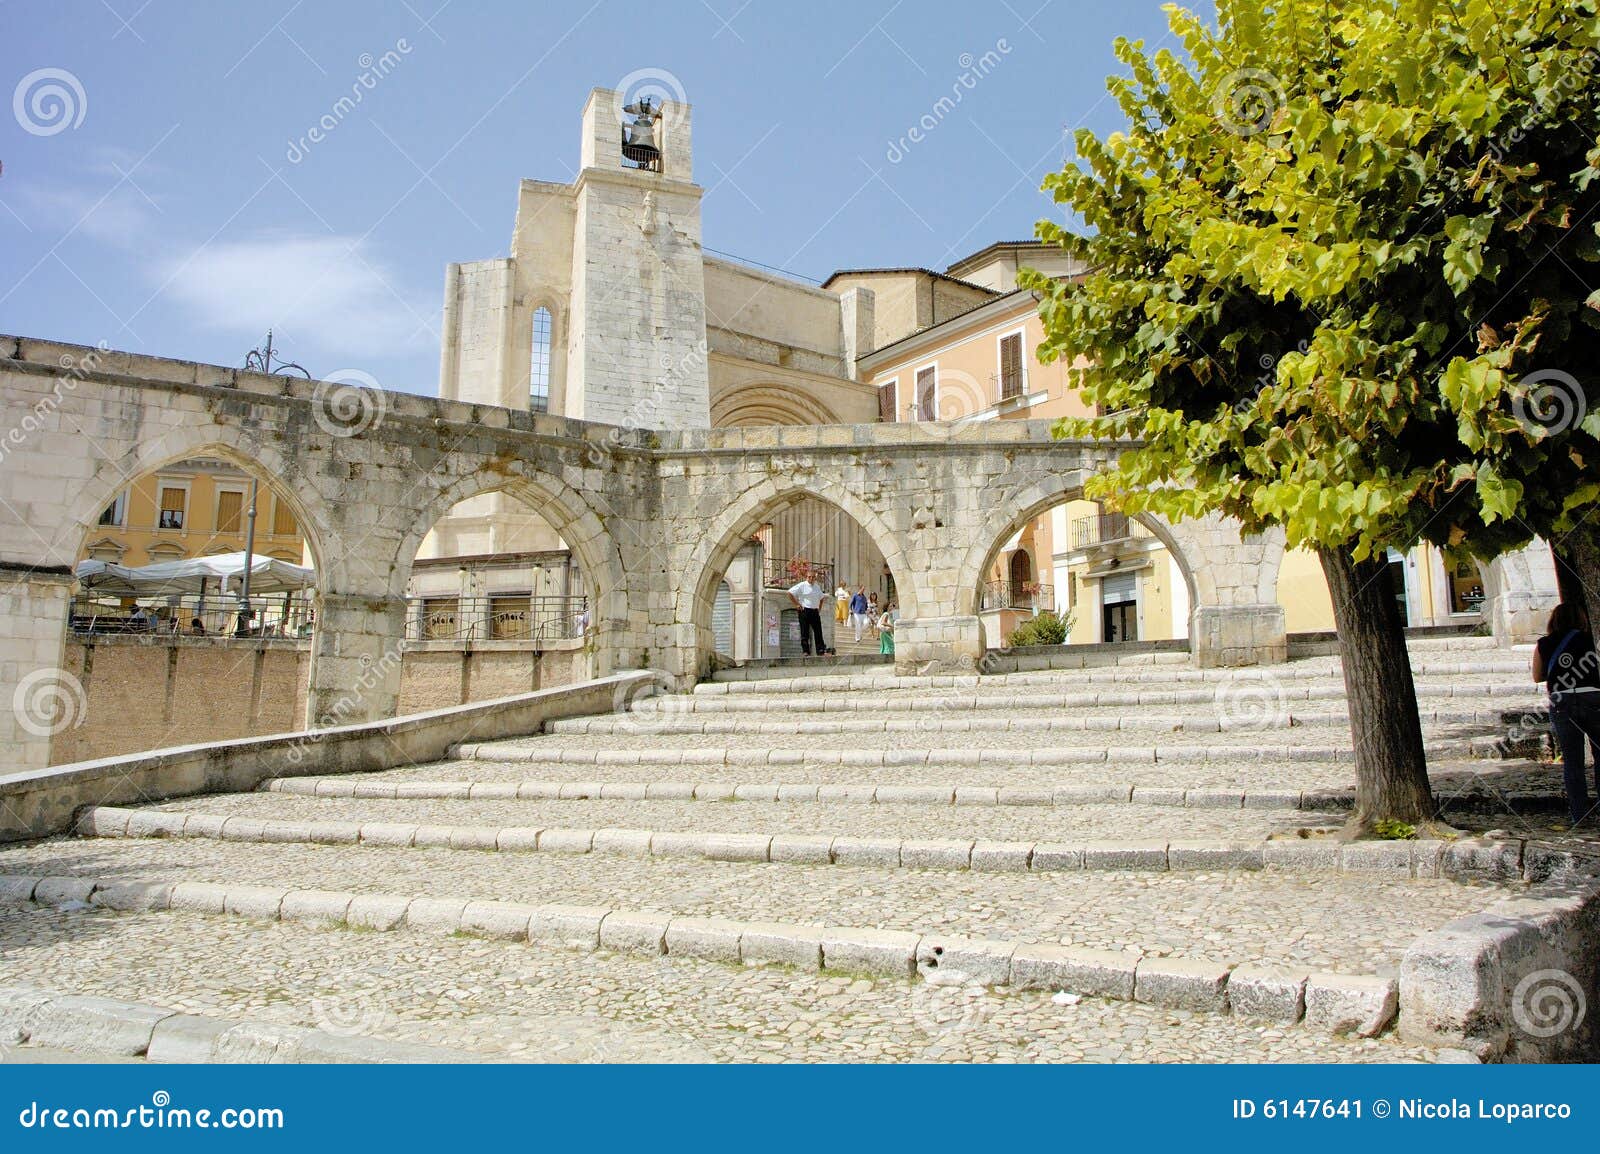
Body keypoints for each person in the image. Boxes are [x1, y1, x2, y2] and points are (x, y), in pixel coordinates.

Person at [1533, 602, 1600, 827]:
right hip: (1593, 698)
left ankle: (1579, 815)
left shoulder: (1544, 643)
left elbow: (1537, 676)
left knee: (1573, 762)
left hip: (1562, 701)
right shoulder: (1590, 639)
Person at [788, 568, 830, 656]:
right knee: (804, 632)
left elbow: (822, 598)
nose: (811, 579)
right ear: (806, 577)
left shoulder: (817, 586)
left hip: (814, 611)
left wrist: (819, 608)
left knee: (818, 631)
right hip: (804, 610)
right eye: (809, 577)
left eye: (813, 577)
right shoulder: (802, 585)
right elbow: (790, 593)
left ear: (815, 578)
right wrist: (797, 604)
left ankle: (821, 650)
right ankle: (806, 651)